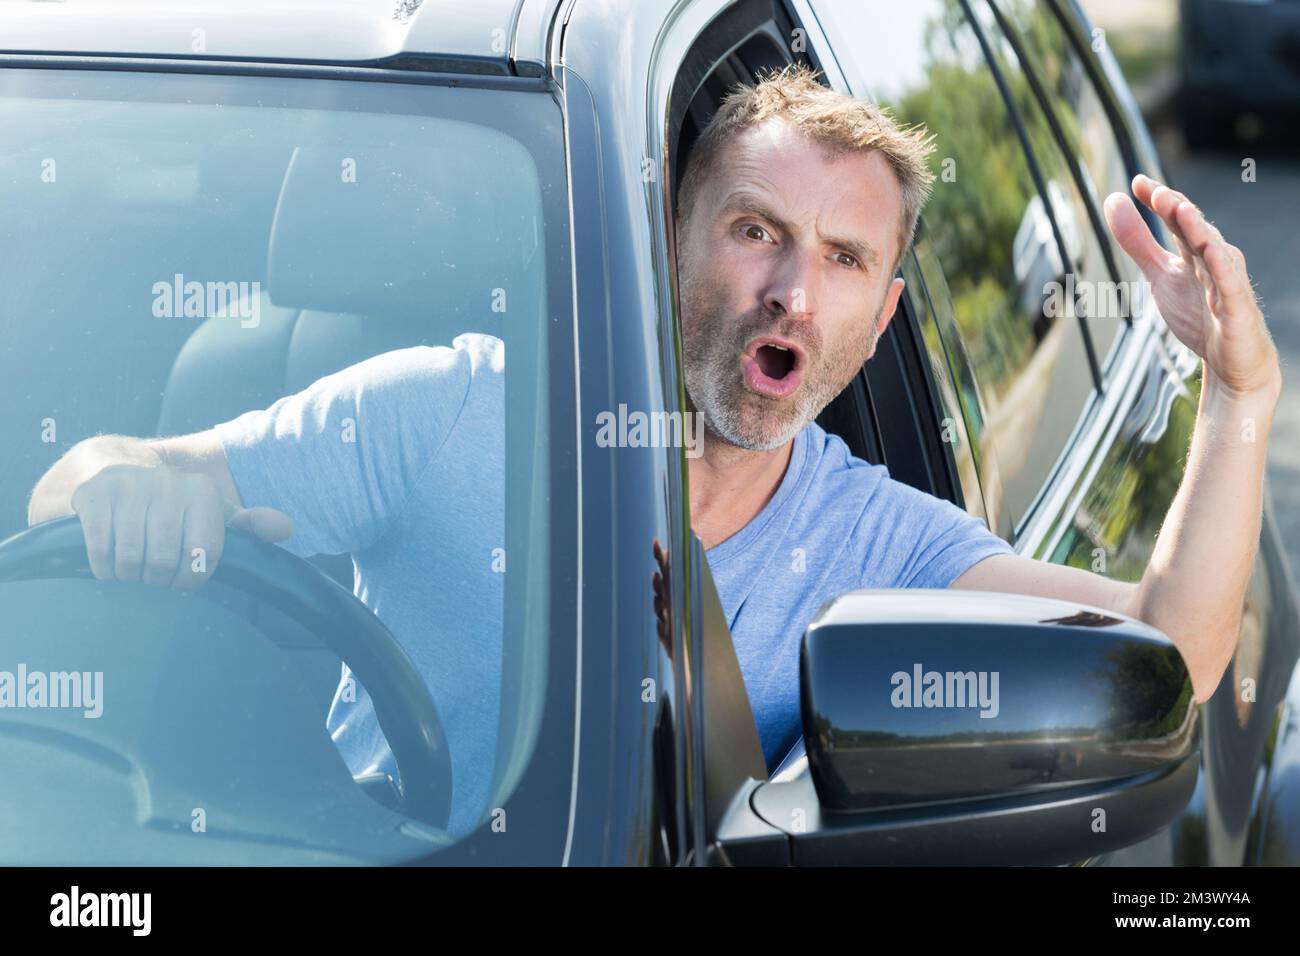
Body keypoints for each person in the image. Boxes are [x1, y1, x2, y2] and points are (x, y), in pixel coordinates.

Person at [27, 64, 1282, 826]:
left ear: (884, 312)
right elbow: (97, 477)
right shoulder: (454, 408)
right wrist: (125, 484)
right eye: (755, 229)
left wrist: (1237, 399)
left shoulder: (882, 537)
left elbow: (1166, 649)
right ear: (672, 230)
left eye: (844, 260)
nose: (794, 290)